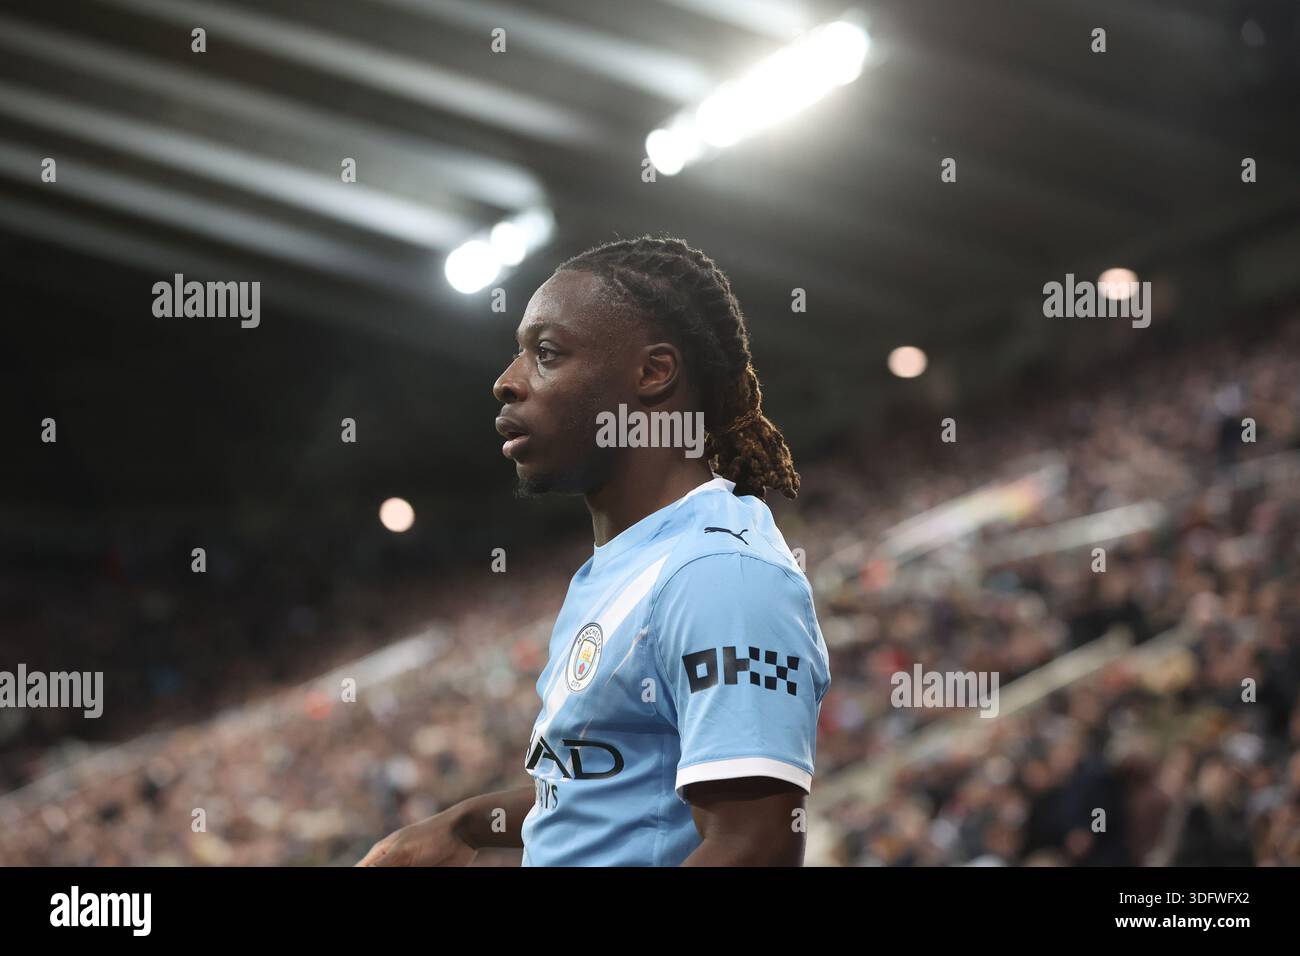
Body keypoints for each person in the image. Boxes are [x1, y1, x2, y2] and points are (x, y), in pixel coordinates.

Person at [357, 234, 830, 866]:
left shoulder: (719, 572)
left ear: (654, 373)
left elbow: (754, 845)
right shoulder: (627, 563)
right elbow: (612, 787)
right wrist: (467, 824)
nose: (506, 382)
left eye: (545, 353)